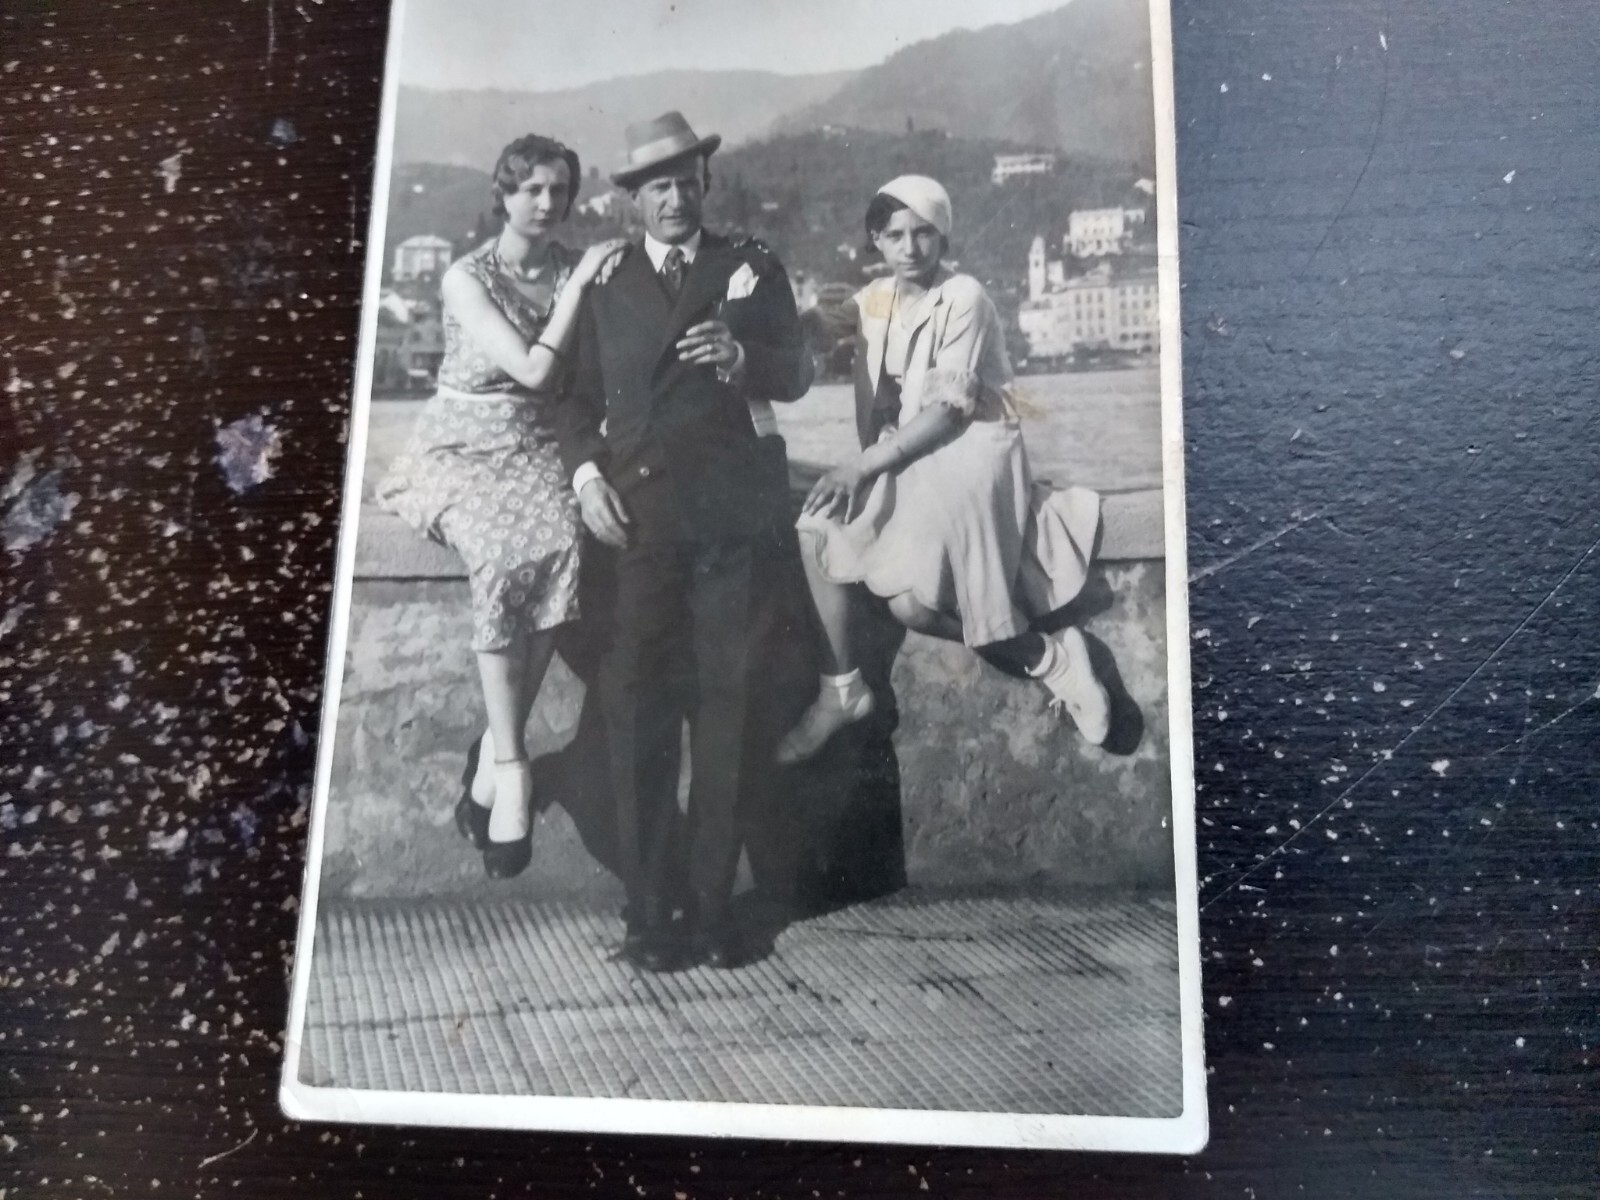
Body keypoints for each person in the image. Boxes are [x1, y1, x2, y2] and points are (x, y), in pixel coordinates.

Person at [554, 111, 812, 971]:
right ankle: (648, 909)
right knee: (639, 718)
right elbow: (569, 402)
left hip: (730, 522)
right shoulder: (606, 282)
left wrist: (743, 358)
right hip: (638, 527)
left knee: (728, 710)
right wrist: (586, 477)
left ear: (706, 183)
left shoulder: (748, 267)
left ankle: (710, 909)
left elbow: (798, 372)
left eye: (685, 180)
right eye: (656, 184)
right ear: (633, 199)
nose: (674, 196)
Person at [778, 175, 1112, 765]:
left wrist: (863, 465)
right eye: (896, 235)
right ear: (877, 242)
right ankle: (842, 689)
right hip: (907, 453)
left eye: (924, 233)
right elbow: (808, 329)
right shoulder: (877, 299)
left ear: (943, 235)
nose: (911, 248)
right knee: (818, 531)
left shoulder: (965, 296)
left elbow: (948, 411)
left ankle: (1051, 659)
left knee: (911, 602)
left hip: (971, 448)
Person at [376, 134, 626, 879]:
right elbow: (531, 368)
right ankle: (513, 770)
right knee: (497, 549)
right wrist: (579, 285)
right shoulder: (465, 276)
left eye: (559, 191)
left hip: (534, 448)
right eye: (532, 191)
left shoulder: (566, 265)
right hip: (457, 447)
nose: (547, 204)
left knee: (561, 542)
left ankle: (491, 749)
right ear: (504, 194)